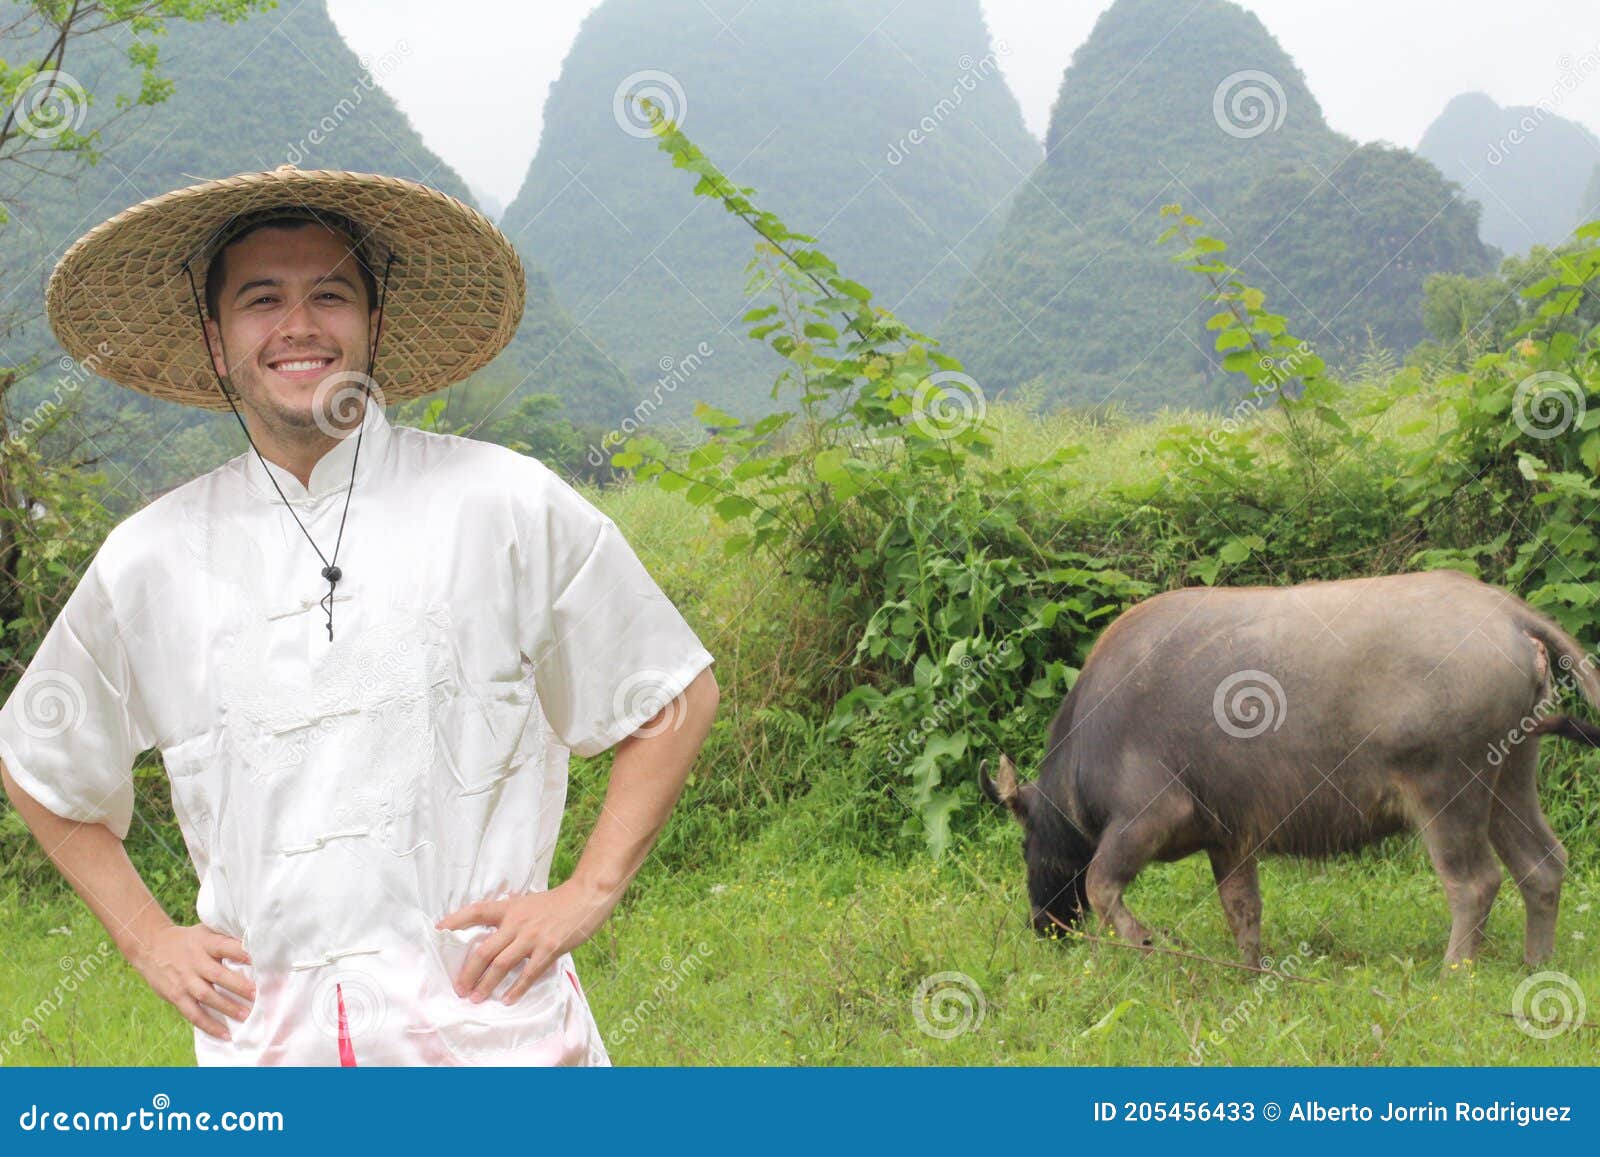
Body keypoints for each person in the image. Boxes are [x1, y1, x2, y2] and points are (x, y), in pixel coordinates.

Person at [0, 164, 718, 1066]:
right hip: (272, 1056)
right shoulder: (150, 558)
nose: (298, 325)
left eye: (331, 295)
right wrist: (148, 938)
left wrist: (588, 891)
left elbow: (671, 690)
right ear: (217, 342)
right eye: (262, 299)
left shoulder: (502, 503)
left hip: (495, 1045)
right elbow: (37, 758)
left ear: (374, 326)